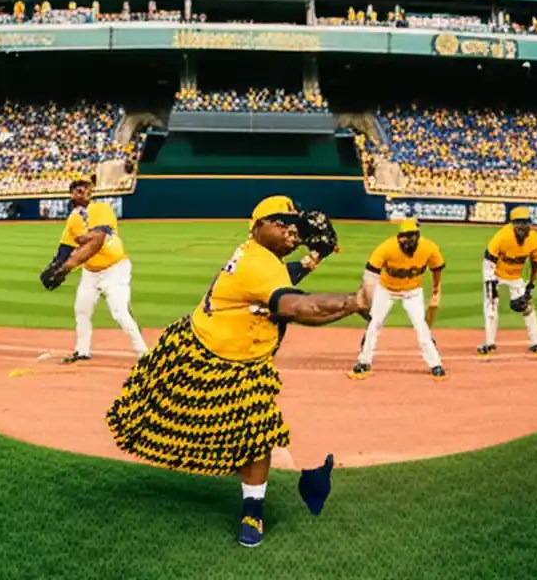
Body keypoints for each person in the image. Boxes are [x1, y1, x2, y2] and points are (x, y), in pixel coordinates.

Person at [105, 196, 362, 548]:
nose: (290, 228)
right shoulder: (257, 263)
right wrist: (355, 302)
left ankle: (252, 509)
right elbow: (301, 306)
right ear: (256, 228)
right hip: (201, 355)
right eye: (279, 222)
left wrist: (314, 258)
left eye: (293, 223)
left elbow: (282, 277)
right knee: (163, 423)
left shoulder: (262, 258)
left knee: (257, 433)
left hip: (245, 364)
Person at [38, 178, 149, 363]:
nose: (83, 192)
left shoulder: (101, 209)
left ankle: (143, 353)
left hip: (115, 268)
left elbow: (96, 241)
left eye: (86, 189)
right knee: (81, 309)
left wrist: (66, 268)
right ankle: (82, 351)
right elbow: (64, 249)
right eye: (78, 189)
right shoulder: (73, 220)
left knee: (119, 313)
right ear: (72, 194)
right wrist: (54, 266)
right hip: (90, 272)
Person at [348, 218, 447, 379]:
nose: (407, 240)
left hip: (413, 292)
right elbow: (370, 274)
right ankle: (364, 362)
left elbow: (436, 269)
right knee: (374, 324)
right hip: (386, 290)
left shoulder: (428, 248)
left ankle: (436, 364)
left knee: (421, 326)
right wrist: (366, 295)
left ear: (417, 236)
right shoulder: (386, 248)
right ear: (399, 236)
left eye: (411, 236)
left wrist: (436, 291)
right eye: (404, 236)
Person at [477, 207, 537, 356]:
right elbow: (488, 262)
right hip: (495, 274)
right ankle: (490, 343)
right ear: (512, 224)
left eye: (525, 222)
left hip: (515, 277)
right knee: (491, 306)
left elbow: (535, 267)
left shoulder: (535, 241)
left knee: (527, 306)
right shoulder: (502, 237)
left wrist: (530, 287)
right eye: (518, 222)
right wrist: (491, 285)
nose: (522, 226)